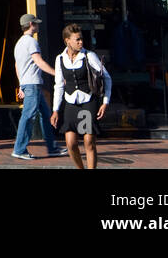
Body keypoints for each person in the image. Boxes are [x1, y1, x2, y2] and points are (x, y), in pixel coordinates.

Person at [50, 23, 112, 169]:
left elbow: (107, 78)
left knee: (88, 141)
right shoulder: (60, 59)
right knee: (70, 143)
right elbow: (58, 85)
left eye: (81, 39)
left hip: (87, 102)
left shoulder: (89, 56)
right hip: (71, 103)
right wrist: (55, 110)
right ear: (67, 41)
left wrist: (105, 102)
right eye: (77, 39)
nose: (81, 42)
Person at [11, 13, 67, 160]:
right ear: (31, 24)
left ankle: (52, 147)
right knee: (28, 117)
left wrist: (21, 84)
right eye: (36, 23)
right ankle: (19, 149)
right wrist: (57, 74)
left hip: (28, 84)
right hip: (33, 84)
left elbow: (17, 66)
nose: (38, 25)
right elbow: (38, 61)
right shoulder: (31, 42)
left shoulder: (19, 43)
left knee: (46, 115)